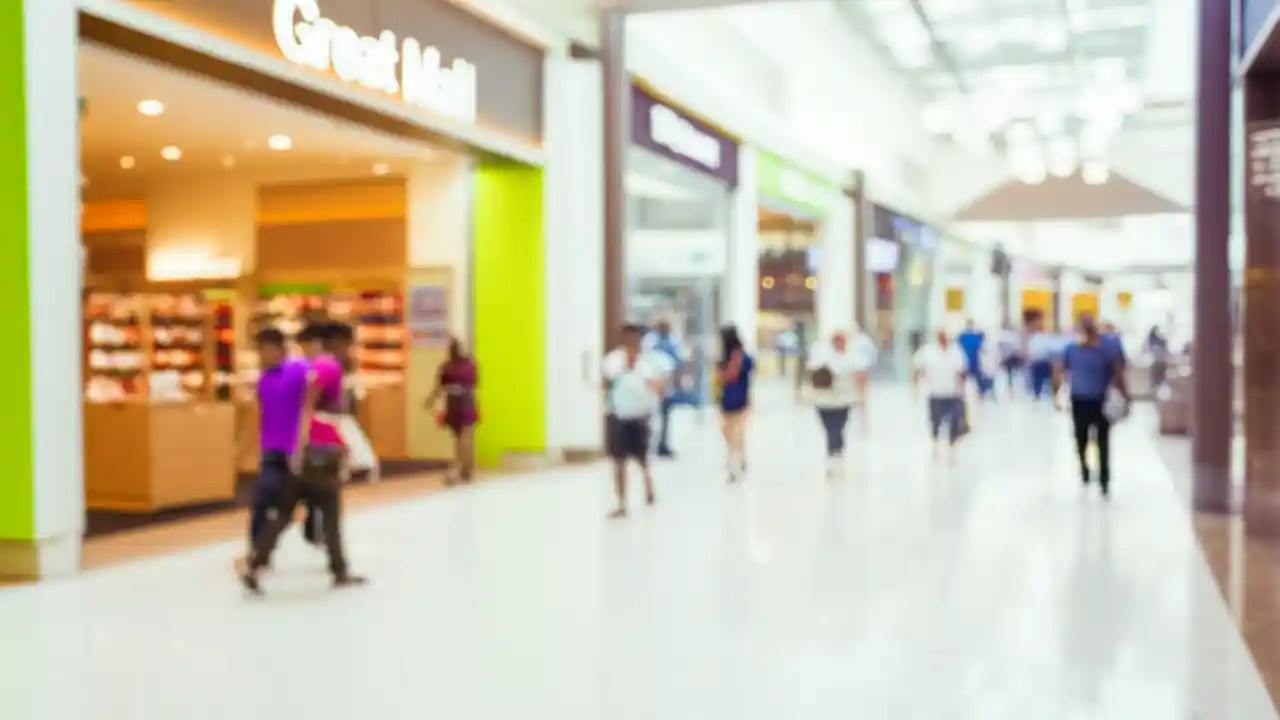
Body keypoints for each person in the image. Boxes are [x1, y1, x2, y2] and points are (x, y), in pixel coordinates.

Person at [240, 324, 366, 594]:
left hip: (302, 450)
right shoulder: (322, 370)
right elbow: (310, 409)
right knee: (330, 510)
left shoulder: (301, 370)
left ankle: (256, 563)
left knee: (284, 510)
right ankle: (339, 570)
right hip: (319, 449)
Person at [243, 327, 309, 568]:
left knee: (288, 504)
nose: (263, 356)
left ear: (281, 349)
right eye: (259, 352)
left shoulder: (299, 371)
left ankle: (312, 534)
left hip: (296, 450)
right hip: (272, 450)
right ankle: (258, 550)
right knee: (261, 499)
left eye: (266, 350)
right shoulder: (263, 380)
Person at [1054, 315, 1130, 498]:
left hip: (1097, 399)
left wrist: (1124, 395)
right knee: (1085, 439)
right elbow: (1060, 370)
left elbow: (1117, 371)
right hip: (1082, 398)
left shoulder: (1104, 348)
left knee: (1098, 440)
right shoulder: (1072, 349)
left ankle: (1101, 477)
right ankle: (1088, 471)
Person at [602, 324, 666, 519]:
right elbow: (606, 381)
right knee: (618, 460)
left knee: (642, 457)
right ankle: (622, 502)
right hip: (618, 415)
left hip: (640, 416)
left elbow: (658, 386)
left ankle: (648, 486)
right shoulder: (613, 361)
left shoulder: (648, 363)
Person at [327, 322, 379, 483]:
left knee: (354, 445)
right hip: (329, 415)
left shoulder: (348, 365)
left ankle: (347, 471)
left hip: (342, 416)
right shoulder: (328, 363)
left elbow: (354, 398)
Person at [807, 331, 861, 476]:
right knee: (829, 429)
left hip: (843, 401)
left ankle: (837, 455)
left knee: (837, 429)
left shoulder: (851, 358)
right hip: (824, 401)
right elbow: (814, 376)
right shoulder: (824, 357)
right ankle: (833, 455)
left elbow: (859, 377)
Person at [426, 337, 479, 485]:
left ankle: (460, 469)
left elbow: (439, 386)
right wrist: (432, 398)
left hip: (459, 404)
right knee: (463, 439)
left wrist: (432, 399)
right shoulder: (467, 365)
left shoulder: (450, 366)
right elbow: (474, 382)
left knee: (463, 439)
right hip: (462, 404)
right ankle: (465, 470)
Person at [913, 329, 968, 461]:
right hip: (935, 392)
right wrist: (915, 386)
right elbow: (918, 368)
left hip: (952, 393)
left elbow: (961, 372)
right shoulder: (928, 351)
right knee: (935, 422)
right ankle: (936, 445)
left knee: (955, 422)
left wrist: (963, 392)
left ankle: (952, 447)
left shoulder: (955, 351)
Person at [717, 325, 755, 483]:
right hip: (739, 399)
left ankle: (735, 465)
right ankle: (738, 461)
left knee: (731, 434)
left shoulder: (727, 359)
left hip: (729, 400)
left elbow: (721, 378)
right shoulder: (744, 358)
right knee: (736, 434)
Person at [647, 320, 683, 458]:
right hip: (663, 384)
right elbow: (677, 364)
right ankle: (661, 444)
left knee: (657, 417)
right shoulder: (670, 343)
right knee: (664, 417)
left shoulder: (651, 342)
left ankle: (656, 444)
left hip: (655, 385)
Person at [957, 319, 991, 400]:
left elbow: (982, 347)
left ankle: (982, 394)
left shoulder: (977, 336)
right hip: (966, 362)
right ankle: (962, 395)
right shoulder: (963, 337)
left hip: (975, 361)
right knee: (962, 379)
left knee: (979, 378)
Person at [1027, 313, 1057, 401]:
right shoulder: (1032, 337)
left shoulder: (1047, 336)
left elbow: (1051, 348)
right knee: (1037, 380)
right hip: (1036, 362)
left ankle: (1051, 394)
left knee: (1047, 380)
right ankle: (1037, 395)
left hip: (1045, 361)